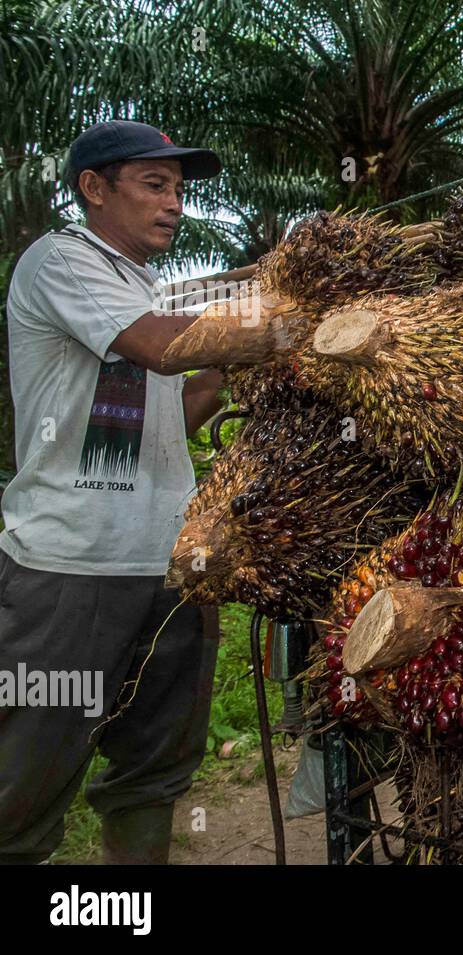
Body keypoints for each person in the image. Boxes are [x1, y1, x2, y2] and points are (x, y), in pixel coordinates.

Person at [0, 120, 228, 864]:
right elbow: (164, 349)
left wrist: (224, 375)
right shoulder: (61, 261)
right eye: (154, 185)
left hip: (167, 570)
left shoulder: (141, 288)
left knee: (153, 773)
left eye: (181, 192)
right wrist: (273, 316)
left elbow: (169, 419)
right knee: (24, 783)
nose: (174, 206)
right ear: (93, 189)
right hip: (69, 569)